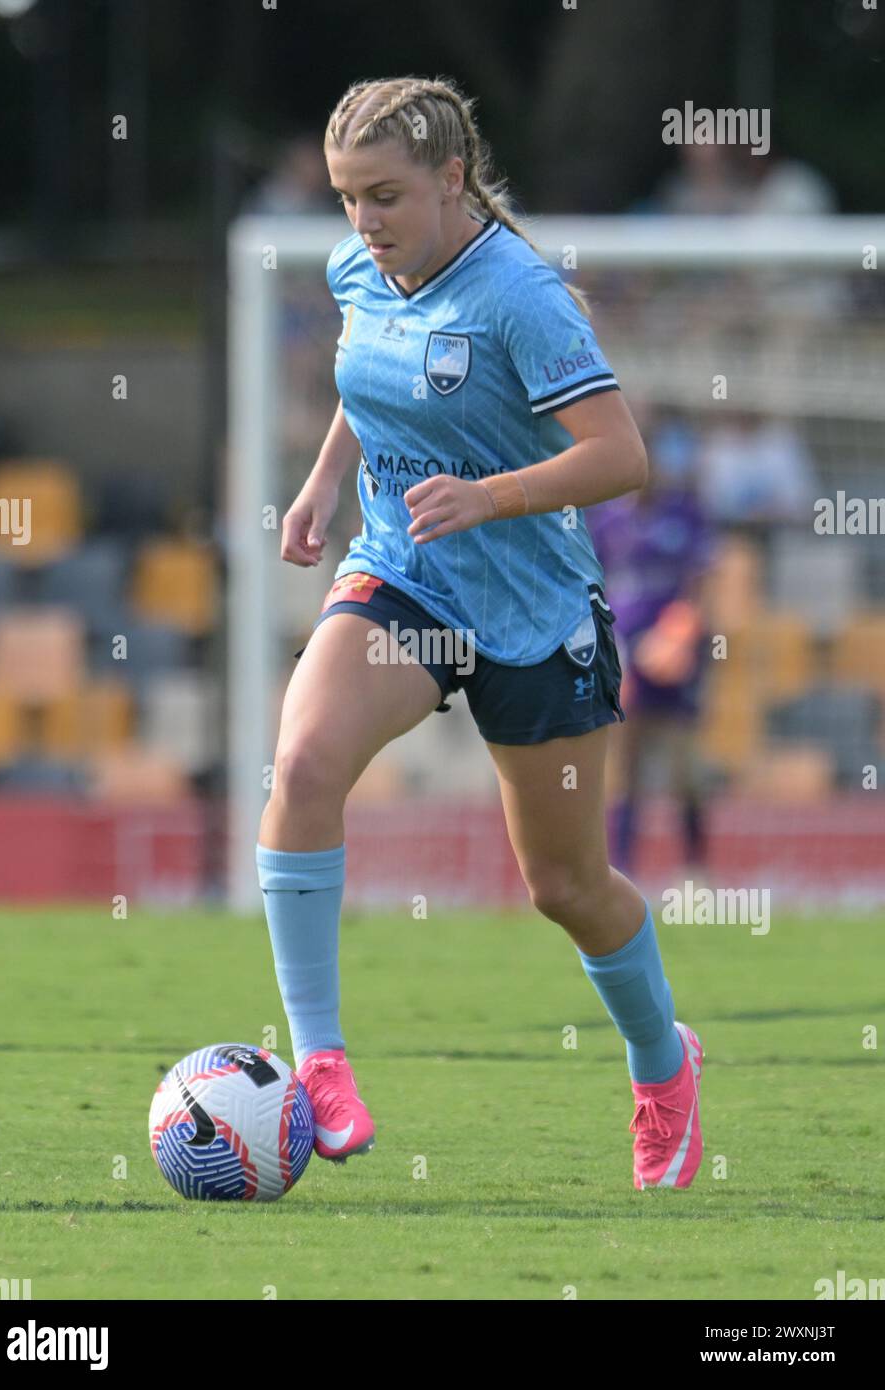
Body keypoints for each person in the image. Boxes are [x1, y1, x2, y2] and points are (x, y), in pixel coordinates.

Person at [255, 75, 704, 1192]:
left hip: (531, 610)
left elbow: (620, 456)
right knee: (304, 762)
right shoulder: (359, 265)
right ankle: (317, 1062)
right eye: (349, 197)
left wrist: (488, 494)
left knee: (564, 886)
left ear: (452, 179)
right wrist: (321, 486)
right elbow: (375, 378)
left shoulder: (523, 296)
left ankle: (662, 1065)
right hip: (402, 574)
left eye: (388, 195)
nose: (365, 222)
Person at [588, 415, 716, 877]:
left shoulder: (686, 513)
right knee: (627, 764)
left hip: (678, 656)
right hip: (625, 654)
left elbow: (700, 585)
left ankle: (696, 870)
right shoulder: (605, 520)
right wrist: (613, 649)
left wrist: (680, 633)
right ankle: (622, 869)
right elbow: (593, 590)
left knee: (685, 764)